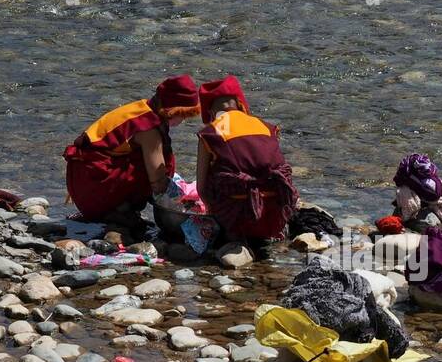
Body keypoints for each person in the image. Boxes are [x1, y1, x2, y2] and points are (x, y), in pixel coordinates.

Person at [63, 75, 201, 222]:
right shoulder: (149, 129)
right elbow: (158, 179)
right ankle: (117, 210)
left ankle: (120, 207)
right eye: (182, 115)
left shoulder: (143, 108)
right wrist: (179, 202)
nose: (183, 120)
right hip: (92, 188)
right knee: (150, 168)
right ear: (170, 110)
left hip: (81, 179)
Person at [195, 75, 298, 244]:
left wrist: (210, 211)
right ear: (240, 104)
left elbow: (201, 188)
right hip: (275, 218)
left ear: (210, 112)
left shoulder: (209, 133)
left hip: (238, 221)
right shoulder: (267, 127)